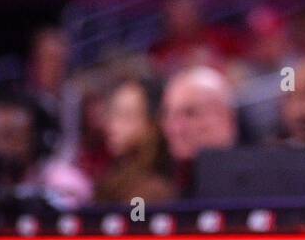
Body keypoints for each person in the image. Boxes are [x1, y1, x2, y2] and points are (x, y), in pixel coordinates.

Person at [95, 77, 177, 205]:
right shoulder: (115, 177)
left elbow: (136, 222)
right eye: (112, 114)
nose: (112, 125)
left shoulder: (150, 192)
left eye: (126, 115)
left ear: (152, 125)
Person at [161, 65, 240, 196]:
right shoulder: (154, 194)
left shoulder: (265, 184)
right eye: (169, 114)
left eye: (190, 113)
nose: (175, 128)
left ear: (227, 117)